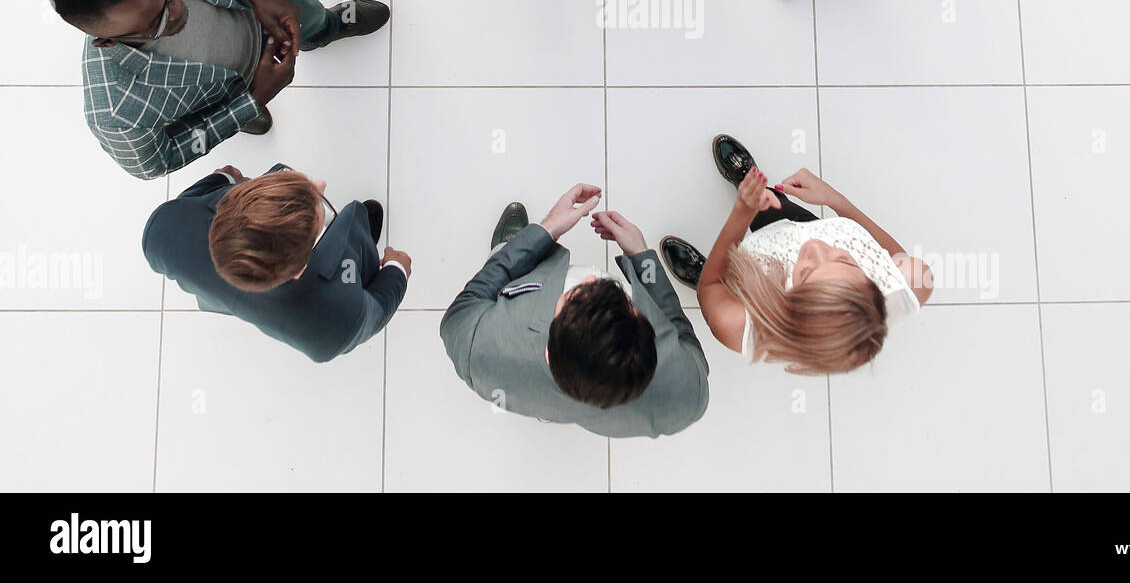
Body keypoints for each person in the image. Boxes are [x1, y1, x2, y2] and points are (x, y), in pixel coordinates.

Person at [47, 0, 389, 180]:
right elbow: (155, 162)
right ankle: (242, 115)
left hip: (258, 5)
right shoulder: (116, 114)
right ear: (108, 41)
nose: (179, 6)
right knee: (231, 113)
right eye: (159, 20)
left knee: (309, 15)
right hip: (226, 93)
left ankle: (326, 27)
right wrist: (251, 101)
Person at [440, 184, 709, 438]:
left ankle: (512, 247)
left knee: (505, 264)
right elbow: (681, 334)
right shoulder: (688, 397)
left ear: (547, 350)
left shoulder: (477, 350)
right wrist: (641, 257)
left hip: (533, 384)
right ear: (648, 328)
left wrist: (544, 232)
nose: (593, 279)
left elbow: (472, 299)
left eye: (572, 299)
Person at [659, 135, 932, 374]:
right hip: (789, 227)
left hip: (757, 272)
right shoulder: (915, 281)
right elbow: (892, 255)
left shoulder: (740, 325)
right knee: (775, 207)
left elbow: (710, 285)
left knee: (719, 286)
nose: (814, 246)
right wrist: (834, 199)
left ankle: (718, 278)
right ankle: (750, 183)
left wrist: (741, 214)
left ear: (790, 305)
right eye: (844, 259)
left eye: (806, 272)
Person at [143, 163, 411, 363]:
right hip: (347, 278)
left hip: (220, 291)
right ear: (300, 270)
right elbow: (372, 313)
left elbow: (190, 201)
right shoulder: (332, 327)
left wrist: (222, 177)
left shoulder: (160, 231)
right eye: (318, 208)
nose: (320, 184)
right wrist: (395, 271)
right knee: (354, 254)